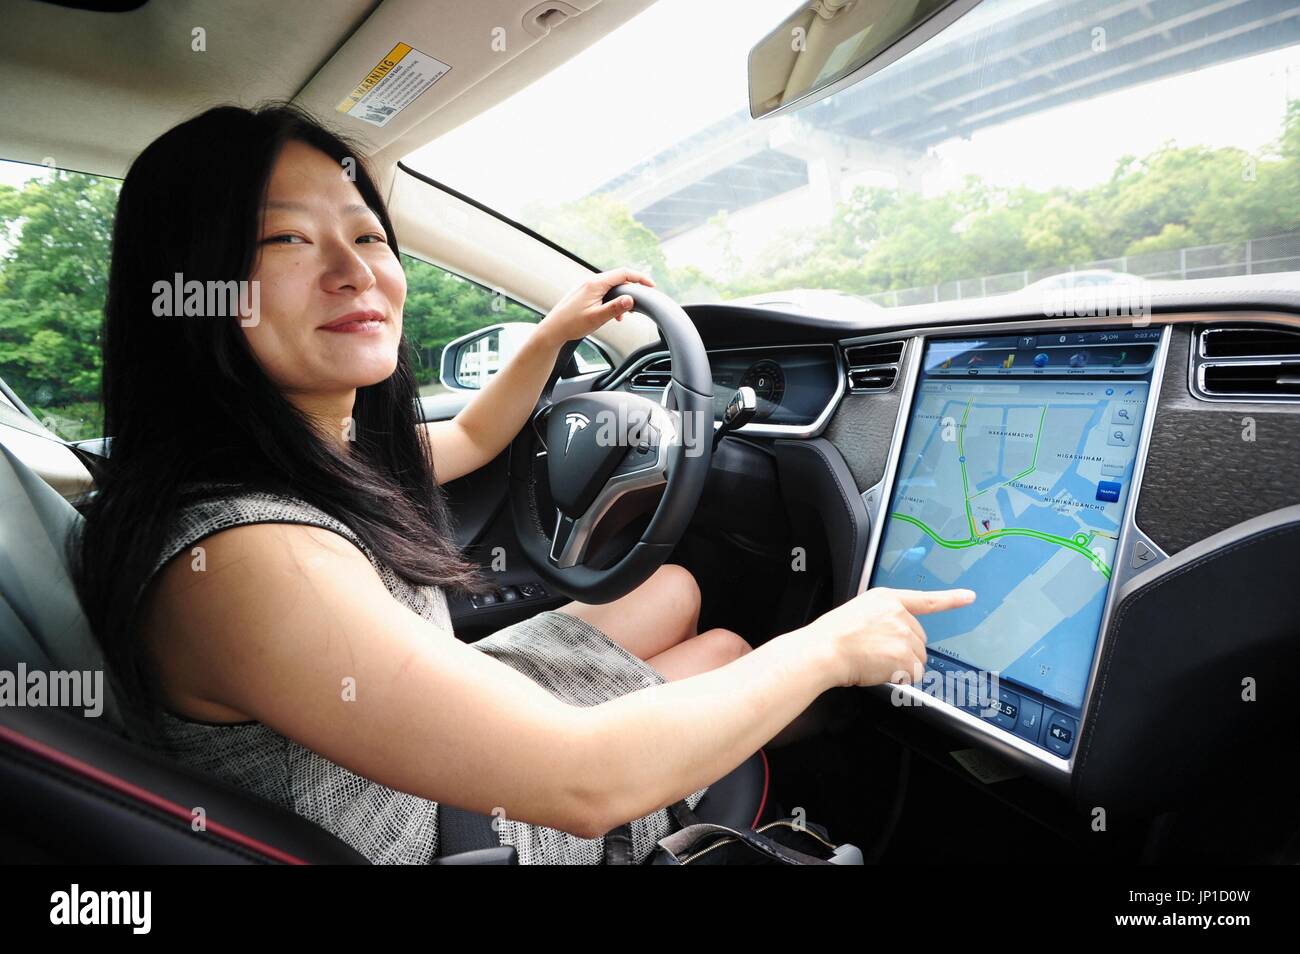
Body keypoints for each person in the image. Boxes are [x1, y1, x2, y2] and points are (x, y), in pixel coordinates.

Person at [69, 102, 975, 865]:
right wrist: (830, 648)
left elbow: (467, 433)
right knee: (735, 654)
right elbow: (584, 781)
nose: (355, 272)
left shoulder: (297, 456)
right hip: (453, 831)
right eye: (285, 239)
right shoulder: (246, 555)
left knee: (679, 587)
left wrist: (549, 336)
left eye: (366, 235)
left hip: (423, 732)